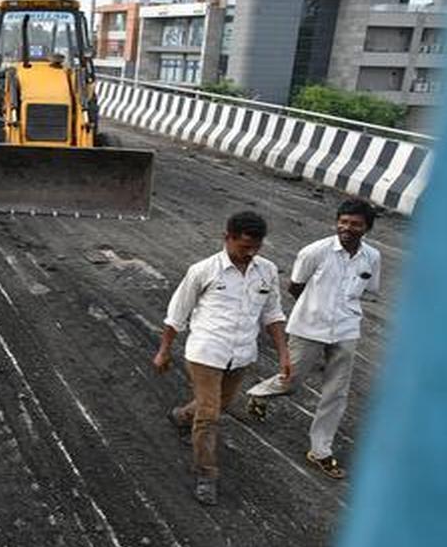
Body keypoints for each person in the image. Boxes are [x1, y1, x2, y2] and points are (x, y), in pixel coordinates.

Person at [153, 211, 292, 505]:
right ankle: (206, 474)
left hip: (241, 355)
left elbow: (273, 314)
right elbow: (176, 314)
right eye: (244, 247)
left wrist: (284, 354)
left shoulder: (266, 271)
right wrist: (164, 350)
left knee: (221, 403)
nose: (250, 253)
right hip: (206, 352)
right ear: (226, 238)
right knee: (210, 414)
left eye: (256, 247)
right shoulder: (203, 270)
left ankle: (181, 416)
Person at [245, 199, 382, 480]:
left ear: (366, 227)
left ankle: (320, 450)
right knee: (291, 381)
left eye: (355, 224)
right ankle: (259, 394)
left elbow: (370, 290)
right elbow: (295, 285)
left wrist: (342, 310)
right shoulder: (315, 252)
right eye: (343, 221)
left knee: (336, 392)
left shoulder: (372, 258)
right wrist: (317, 309)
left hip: (346, 330)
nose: (347, 227)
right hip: (308, 327)